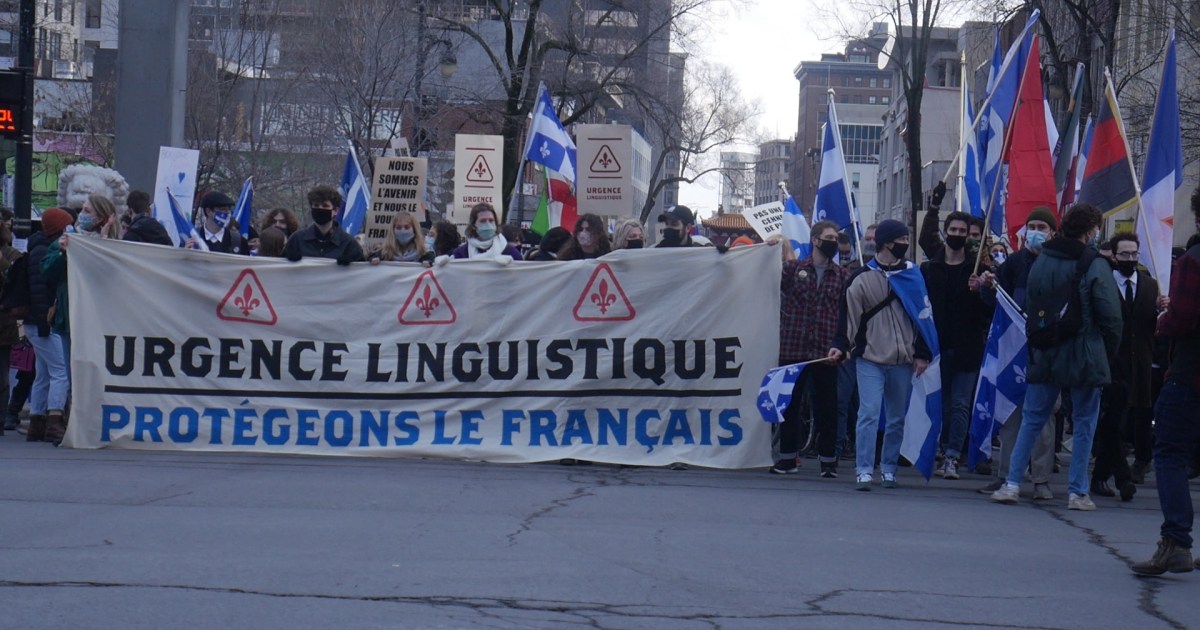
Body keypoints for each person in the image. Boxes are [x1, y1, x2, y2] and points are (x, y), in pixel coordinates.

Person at [991, 203, 1121, 510]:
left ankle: (1011, 484)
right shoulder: (1094, 262)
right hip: (1084, 351)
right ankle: (1077, 492)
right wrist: (1108, 351)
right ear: (1091, 231)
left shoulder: (1042, 259)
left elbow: (1033, 301)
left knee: (1032, 419)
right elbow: (1110, 314)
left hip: (1046, 348)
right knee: (1084, 421)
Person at [1130, 189, 1200, 575]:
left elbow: (1182, 318)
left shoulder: (1193, 261)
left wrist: (1163, 322)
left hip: (1190, 376)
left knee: (1170, 454)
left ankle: (1176, 541)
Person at [838, 219, 932, 490]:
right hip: (870, 358)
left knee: (896, 418)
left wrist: (922, 352)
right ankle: (864, 469)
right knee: (868, 413)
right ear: (888, 243)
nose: (906, 244)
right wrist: (842, 345)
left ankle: (889, 468)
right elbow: (848, 316)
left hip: (903, 360)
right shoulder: (860, 278)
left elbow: (923, 315)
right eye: (902, 239)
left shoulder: (913, 275)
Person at [977, 208, 1059, 499]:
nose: (1035, 231)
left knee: (1043, 419)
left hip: (1046, 350)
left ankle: (1041, 480)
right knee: (1010, 415)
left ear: (1052, 233)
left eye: (1041, 227)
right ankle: (1005, 476)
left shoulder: (1059, 264)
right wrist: (988, 287)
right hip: (1013, 350)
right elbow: (997, 303)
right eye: (1031, 226)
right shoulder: (1013, 263)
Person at [773, 220, 849, 478]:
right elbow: (765, 276)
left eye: (836, 238)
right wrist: (767, 250)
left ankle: (828, 461)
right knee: (789, 405)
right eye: (829, 237)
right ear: (815, 240)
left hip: (825, 351)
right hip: (793, 348)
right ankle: (787, 458)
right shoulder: (793, 269)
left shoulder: (842, 276)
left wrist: (843, 345)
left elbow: (847, 314)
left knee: (828, 407)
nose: (833, 242)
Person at [920, 210, 991, 480]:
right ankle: (940, 446)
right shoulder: (930, 268)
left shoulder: (978, 270)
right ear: (946, 231)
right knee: (943, 404)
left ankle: (952, 456)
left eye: (963, 232)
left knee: (961, 403)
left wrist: (981, 291)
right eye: (954, 230)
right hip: (937, 346)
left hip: (967, 348)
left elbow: (988, 313)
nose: (958, 235)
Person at [1092, 232, 1160, 502]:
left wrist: (1162, 311)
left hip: (1140, 363)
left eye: (1134, 254)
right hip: (1111, 362)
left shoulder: (1150, 286)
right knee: (1113, 421)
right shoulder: (1104, 283)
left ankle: (1101, 476)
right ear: (1114, 256)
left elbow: (1152, 326)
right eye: (1124, 254)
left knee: (1130, 420)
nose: (1130, 259)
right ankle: (1121, 477)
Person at [22, 208, 73, 444]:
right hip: (44, 322)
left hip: (35, 322)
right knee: (60, 371)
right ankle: (54, 421)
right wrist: (45, 324)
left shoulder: (36, 248)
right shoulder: (46, 251)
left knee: (43, 373)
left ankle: (37, 422)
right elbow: (42, 292)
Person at [283, 185, 365, 265]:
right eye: (316, 205)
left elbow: (364, 270)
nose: (320, 208)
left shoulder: (348, 243)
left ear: (336, 211)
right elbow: (279, 267)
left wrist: (370, 259)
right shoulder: (297, 240)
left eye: (325, 205)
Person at [0, 209, 19, 435]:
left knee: (2, 376)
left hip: (4, 322)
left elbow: (14, 284)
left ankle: (1, 417)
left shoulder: (12, 255)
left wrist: (2, 263)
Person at [450, 203, 522, 260]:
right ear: (473, 226)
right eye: (483, 221)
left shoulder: (511, 253)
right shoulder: (461, 254)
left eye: (491, 220)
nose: (488, 224)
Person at [368, 211, 434, 266]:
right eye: (398, 228)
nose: (403, 230)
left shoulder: (425, 251)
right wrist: (372, 259)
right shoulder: (384, 251)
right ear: (393, 230)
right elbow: (370, 257)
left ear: (414, 229)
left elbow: (433, 262)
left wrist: (429, 262)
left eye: (407, 227)